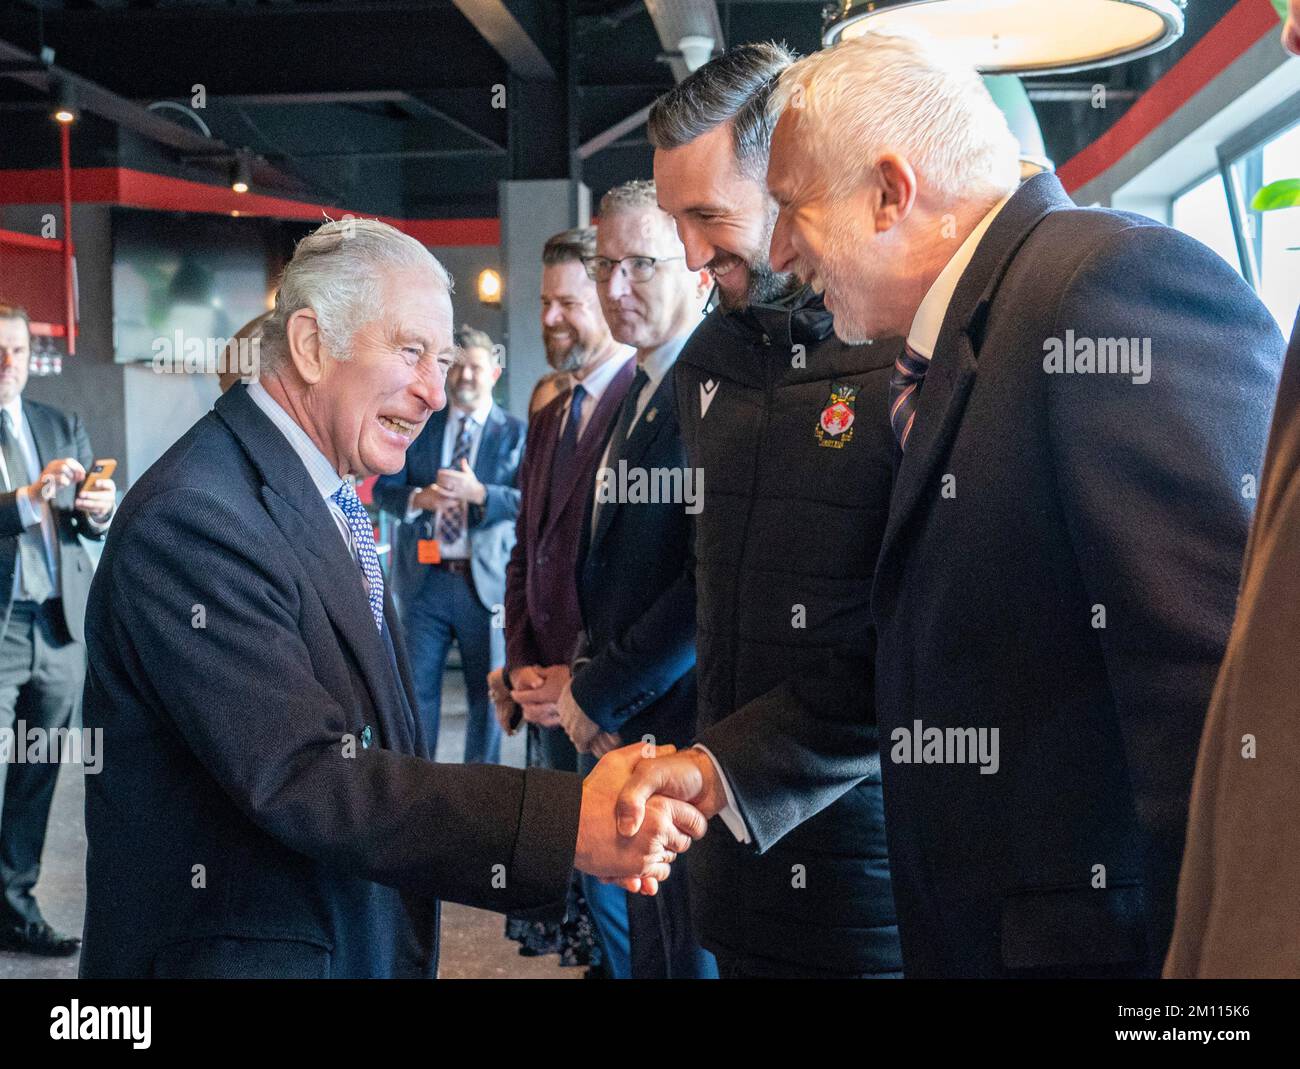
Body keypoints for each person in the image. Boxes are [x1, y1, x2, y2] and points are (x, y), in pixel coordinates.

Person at [750, 31, 1281, 978]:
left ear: (889, 191)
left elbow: (1221, 705)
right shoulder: (972, 328)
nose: (779, 249)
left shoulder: (1105, 288)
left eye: (791, 208)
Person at [79, 219, 705, 979]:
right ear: (310, 345)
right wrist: (566, 820)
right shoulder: (195, 520)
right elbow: (306, 774)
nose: (436, 392)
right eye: (410, 352)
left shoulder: (309, 489)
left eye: (441, 362)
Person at [620, 42, 903, 979]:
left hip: (871, 875)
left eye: (708, 217)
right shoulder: (708, 364)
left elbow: (909, 641)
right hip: (728, 854)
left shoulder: (900, 354)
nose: (693, 256)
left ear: (791, 181)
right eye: (676, 221)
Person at [538, 180, 715, 978]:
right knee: (648, 953)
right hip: (629, 727)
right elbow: (609, 569)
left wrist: (600, 695)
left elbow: (700, 586)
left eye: (640, 264)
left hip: (684, 733)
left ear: (697, 268)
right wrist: (587, 681)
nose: (615, 289)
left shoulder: (710, 390)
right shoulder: (636, 387)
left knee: (685, 957)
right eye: (605, 265)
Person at [502, 228, 638, 976]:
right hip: (548, 697)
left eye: (567, 301)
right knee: (585, 879)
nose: (551, 316)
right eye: (545, 301)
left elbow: (639, 575)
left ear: (609, 297)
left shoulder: (642, 401)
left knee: (624, 889)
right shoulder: (552, 411)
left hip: (610, 696)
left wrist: (582, 681)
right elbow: (529, 548)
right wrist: (520, 668)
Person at [0, 303, 116, 957]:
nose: (7, 363)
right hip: (1, 625)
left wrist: (98, 511)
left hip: (57, 625)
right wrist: (27, 497)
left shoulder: (58, 422)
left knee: (37, 772)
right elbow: (28, 506)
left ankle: (15, 909)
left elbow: (84, 521)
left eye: (16, 349)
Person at [374, 327, 524, 764]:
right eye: (455, 366)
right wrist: (421, 499)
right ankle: (419, 789)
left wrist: (481, 495)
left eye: (475, 367)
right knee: (416, 695)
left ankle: (481, 802)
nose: (465, 376)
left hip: (486, 588)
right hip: (425, 584)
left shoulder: (516, 433)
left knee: (488, 697)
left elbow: (531, 504)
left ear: (494, 372)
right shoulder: (418, 424)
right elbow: (384, 489)